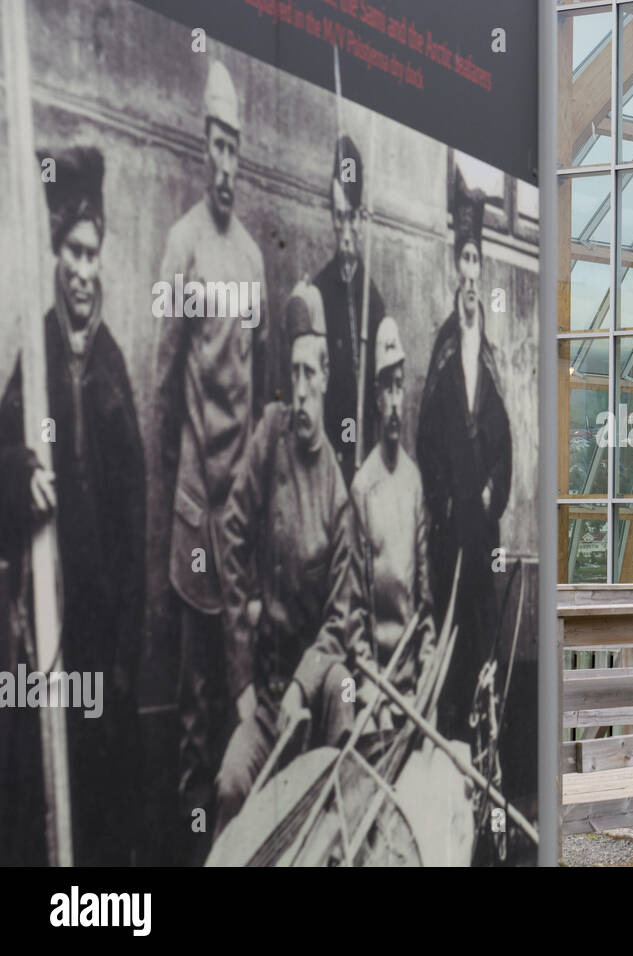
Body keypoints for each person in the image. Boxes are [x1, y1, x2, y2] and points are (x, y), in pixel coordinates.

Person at [0, 146, 146, 864]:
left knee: (101, 823)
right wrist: (16, 471)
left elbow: (136, 522)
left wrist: (123, 660)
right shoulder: (36, 358)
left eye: (95, 254)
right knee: (42, 817)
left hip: (101, 646)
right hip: (47, 646)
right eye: (74, 252)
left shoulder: (114, 368)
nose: (85, 270)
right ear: (56, 254)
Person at [156, 60, 269, 858]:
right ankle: (193, 837)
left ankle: (237, 839)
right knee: (194, 688)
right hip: (196, 502)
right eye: (215, 147)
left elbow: (259, 386)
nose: (224, 163)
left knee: (242, 674)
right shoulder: (182, 246)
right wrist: (184, 487)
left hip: (238, 514)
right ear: (203, 150)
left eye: (235, 148)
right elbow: (166, 383)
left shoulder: (255, 262)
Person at [212, 283, 355, 835]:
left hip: (313, 699)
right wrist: (242, 679)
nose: (299, 392)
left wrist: (304, 686)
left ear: (325, 378)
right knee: (230, 786)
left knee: (316, 818)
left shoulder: (338, 495)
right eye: (292, 375)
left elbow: (339, 624)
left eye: (309, 376)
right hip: (269, 697)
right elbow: (230, 537)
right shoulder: (268, 436)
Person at [416, 172, 512, 863]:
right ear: (455, 266)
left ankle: (484, 812)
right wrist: (451, 501)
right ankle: (443, 814)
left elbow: (505, 445)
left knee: (485, 665)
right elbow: (426, 440)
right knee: (452, 670)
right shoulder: (446, 346)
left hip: (488, 544)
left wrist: (492, 496)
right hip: (453, 543)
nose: (472, 271)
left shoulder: (492, 351)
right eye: (465, 260)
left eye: (480, 260)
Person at [348, 317, 432, 725]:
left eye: (401, 387)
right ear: (377, 398)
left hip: (413, 685)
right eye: (388, 388)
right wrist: (371, 688)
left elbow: (425, 600)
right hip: (376, 686)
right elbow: (354, 610)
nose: (396, 401)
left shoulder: (415, 481)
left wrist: (427, 674)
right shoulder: (363, 488)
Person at [314, 135, 387, 487]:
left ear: (360, 220)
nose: (344, 231)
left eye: (350, 218)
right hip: (322, 458)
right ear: (332, 218)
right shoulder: (318, 292)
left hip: (362, 460)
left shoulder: (373, 304)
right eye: (338, 217)